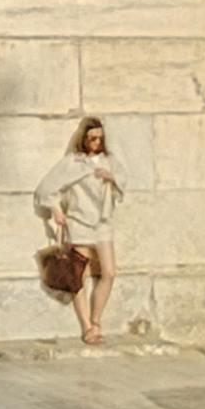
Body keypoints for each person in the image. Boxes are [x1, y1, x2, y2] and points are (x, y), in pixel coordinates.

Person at [34, 115, 124, 346]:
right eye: (92, 138)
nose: (96, 143)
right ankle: (88, 327)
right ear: (83, 138)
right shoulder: (72, 162)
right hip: (79, 222)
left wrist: (111, 178)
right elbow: (47, 188)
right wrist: (56, 209)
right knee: (78, 277)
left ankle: (96, 319)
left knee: (109, 272)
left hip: (102, 223)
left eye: (100, 139)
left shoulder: (109, 161)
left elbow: (122, 184)